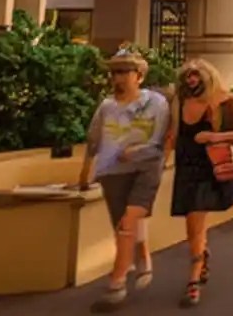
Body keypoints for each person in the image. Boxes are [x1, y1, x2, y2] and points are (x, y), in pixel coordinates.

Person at [78, 50, 170, 312]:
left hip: (146, 168)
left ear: (139, 76)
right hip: (112, 171)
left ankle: (116, 285)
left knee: (129, 220)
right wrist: (84, 172)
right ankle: (142, 255)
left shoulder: (156, 103)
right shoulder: (106, 106)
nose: (118, 78)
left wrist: (138, 151)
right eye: (114, 72)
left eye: (124, 72)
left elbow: (159, 139)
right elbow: (94, 139)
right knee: (124, 225)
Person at [169, 59, 233, 308]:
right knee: (191, 226)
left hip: (208, 169)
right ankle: (201, 254)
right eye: (188, 77)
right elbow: (172, 137)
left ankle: (192, 281)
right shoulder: (178, 103)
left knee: (195, 221)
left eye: (196, 76)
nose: (192, 81)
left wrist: (213, 136)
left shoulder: (225, 101)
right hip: (185, 168)